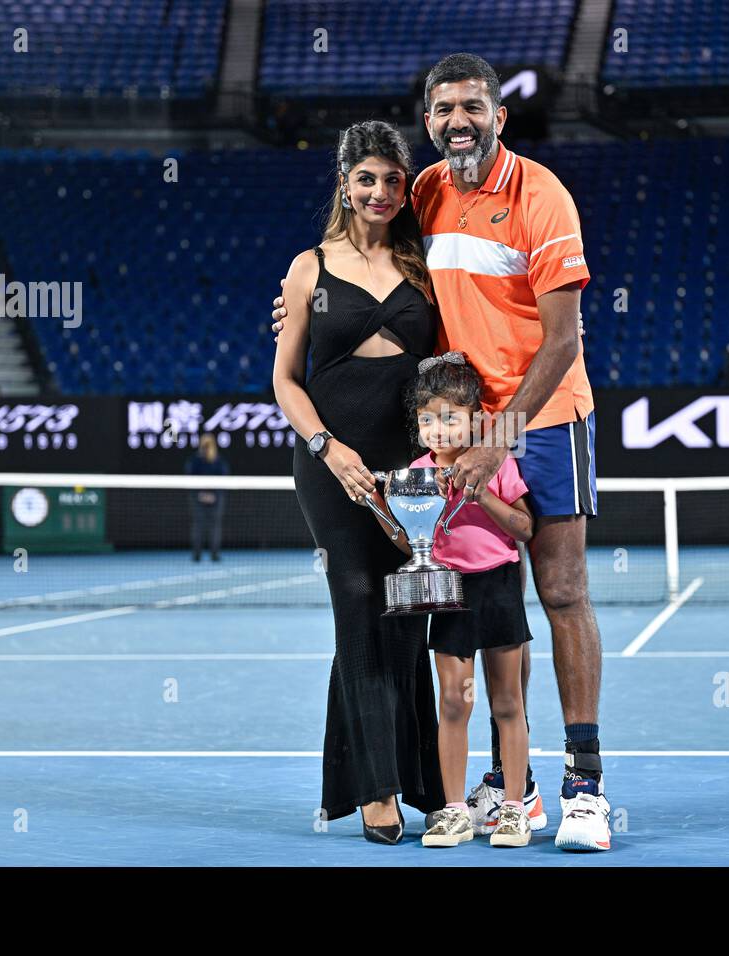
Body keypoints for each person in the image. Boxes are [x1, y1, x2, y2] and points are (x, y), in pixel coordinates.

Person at [274, 53, 610, 851]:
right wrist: (300, 314)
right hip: (449, 436)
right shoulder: (424, 191)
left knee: (560, 592)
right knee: (488, 610)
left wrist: (497, 442)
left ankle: (586, 785)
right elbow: (369, 269)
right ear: (428, 122)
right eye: (444, 110)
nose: (458, 121)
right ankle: (511, 789)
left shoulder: (542, 195)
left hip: (543, 420)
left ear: (500, 113)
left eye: (473, 106)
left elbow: (561, 345)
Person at [271, 119, 444, 844]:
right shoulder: (307, 268)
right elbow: (285, 381)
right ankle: (378, 790)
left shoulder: (424, 265)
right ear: (344, 182)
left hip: (411, 475)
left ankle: (426, 780)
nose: (379, 192)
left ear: (406, 189)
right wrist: (327, 448)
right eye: (365, 178)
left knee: (406, 622)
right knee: (354, 606)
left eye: (392, 180)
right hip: (331, 468)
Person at [367, 351, 536, 847]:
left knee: (508, 703)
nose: (437, 429)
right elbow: (409, 541)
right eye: (427, 420)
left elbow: (525, 528)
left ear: (476, 419)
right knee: (453, 704)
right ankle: (455, 810)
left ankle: (513, 809)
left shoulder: (494, 460)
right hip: (448, 593)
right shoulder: (416, 472)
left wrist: (482, 492)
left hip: (499, 588)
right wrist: (380, 506)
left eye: (449, 418)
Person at [186, 433, 228, 562]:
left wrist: (212, 494)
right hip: (198, 497)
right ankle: (197, 554)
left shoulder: (219, 461)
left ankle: (214, 554)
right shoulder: (195, 460)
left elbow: (223, 476)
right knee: (199, 526)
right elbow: (190, 475)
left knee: (214, 526)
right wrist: (202, 494)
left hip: (216, 497)